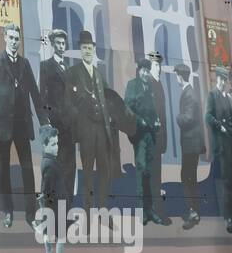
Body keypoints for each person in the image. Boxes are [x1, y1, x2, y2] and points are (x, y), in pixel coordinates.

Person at [0, 23, 44, 228]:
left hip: (22, 125)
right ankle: (8, 211)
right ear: (5, 38)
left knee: (27, 170)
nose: (14, 41)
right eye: (10, 38)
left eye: (16, 38)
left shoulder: (25, 64)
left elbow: (35, 95)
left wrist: (44, 123)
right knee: (4, 171)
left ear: (19, 41)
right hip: (2, 125)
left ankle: (30, 214)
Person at [66, 30, 116, 213]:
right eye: (84, 48)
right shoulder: (72, 73)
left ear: (94, 50)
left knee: (104, 170)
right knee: (87, 171)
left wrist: (109, 114)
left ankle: (103, 209)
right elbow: (68, 102)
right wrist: (78, 121)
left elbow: (109, 97)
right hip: (85, 131)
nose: (87, 51)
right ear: (80, 50)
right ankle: (87, 211)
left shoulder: (99, 74)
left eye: (90, 48)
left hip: (101, 131)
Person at [125, 57, 170, 225]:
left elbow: (153, 109)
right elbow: (127, 108)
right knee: (141, 170)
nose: (145, 73)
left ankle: (150, 211)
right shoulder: (132, 85)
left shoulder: (151, 86)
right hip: (139, 136)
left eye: (147, 70)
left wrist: (156, 120)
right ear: (139, 70)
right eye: (143, 70)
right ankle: (142, 212)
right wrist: (139, 121)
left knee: (150, 174)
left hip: (151, 135)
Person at [38, 28, 75, 206]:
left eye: (63, 43)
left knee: (70, 170)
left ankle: (68, 211)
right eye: (58, 43)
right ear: (52, 45)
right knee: (55, 171)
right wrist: (46, 124)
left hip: (70, 129)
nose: (61, 46)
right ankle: (53, 212)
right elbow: (42, 98)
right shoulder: (46, 66)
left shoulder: (70, 68)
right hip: (56, 129)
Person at [206, 67, 232, 234]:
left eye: (224, 79)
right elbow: (208, 116)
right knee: (228, 184)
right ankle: (230, 220)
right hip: (223, 147)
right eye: (220, 79)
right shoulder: (213, 95)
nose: (222, 82)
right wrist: (218, 125)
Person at [173, 64, 204, 229]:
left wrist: (178, 118)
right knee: (190, 177)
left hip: (191, 144)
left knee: (187, 177)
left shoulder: (189, 94)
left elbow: (189, 118)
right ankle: (195, 211)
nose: (176, 77)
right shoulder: (189, 92)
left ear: (180, 76)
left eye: (176, 75)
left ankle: (193, 212)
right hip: (192, 144)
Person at [36, 124, 68, 253]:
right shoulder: (50, 165)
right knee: (61, 237)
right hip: (56, 206)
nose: (57, 147)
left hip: (51, 206)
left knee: (48, 234)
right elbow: (46, 190)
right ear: (44, 145)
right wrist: (51, 209)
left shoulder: (47, 160)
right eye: (53, 144)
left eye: (57, 143)